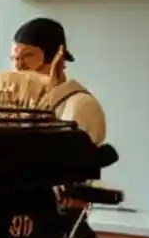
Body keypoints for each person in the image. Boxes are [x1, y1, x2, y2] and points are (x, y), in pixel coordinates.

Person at [11, 17, 107, 145]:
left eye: (28, 56)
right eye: (15, 58)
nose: (19, 66)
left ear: (58, 59)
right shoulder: (21, 106)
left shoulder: (81, 105)